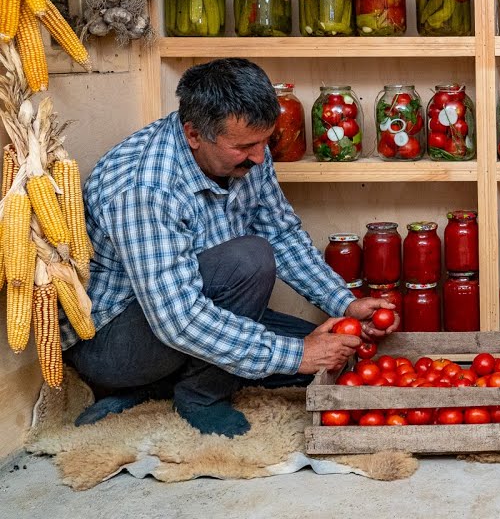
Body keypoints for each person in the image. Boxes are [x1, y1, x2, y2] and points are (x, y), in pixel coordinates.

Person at [64, 59, 397, 437]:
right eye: (245, 147)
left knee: (334, 355)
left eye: (264, 142)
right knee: (252, 263)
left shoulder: (247, 150)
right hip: (118, 341)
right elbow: (179, 320)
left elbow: (282, 234)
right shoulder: (143, 190)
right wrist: (297, 354)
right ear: (193, 134)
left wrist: (345, 303)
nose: (260, 156)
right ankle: (200, 396)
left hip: (190, 305)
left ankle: (160, 388)